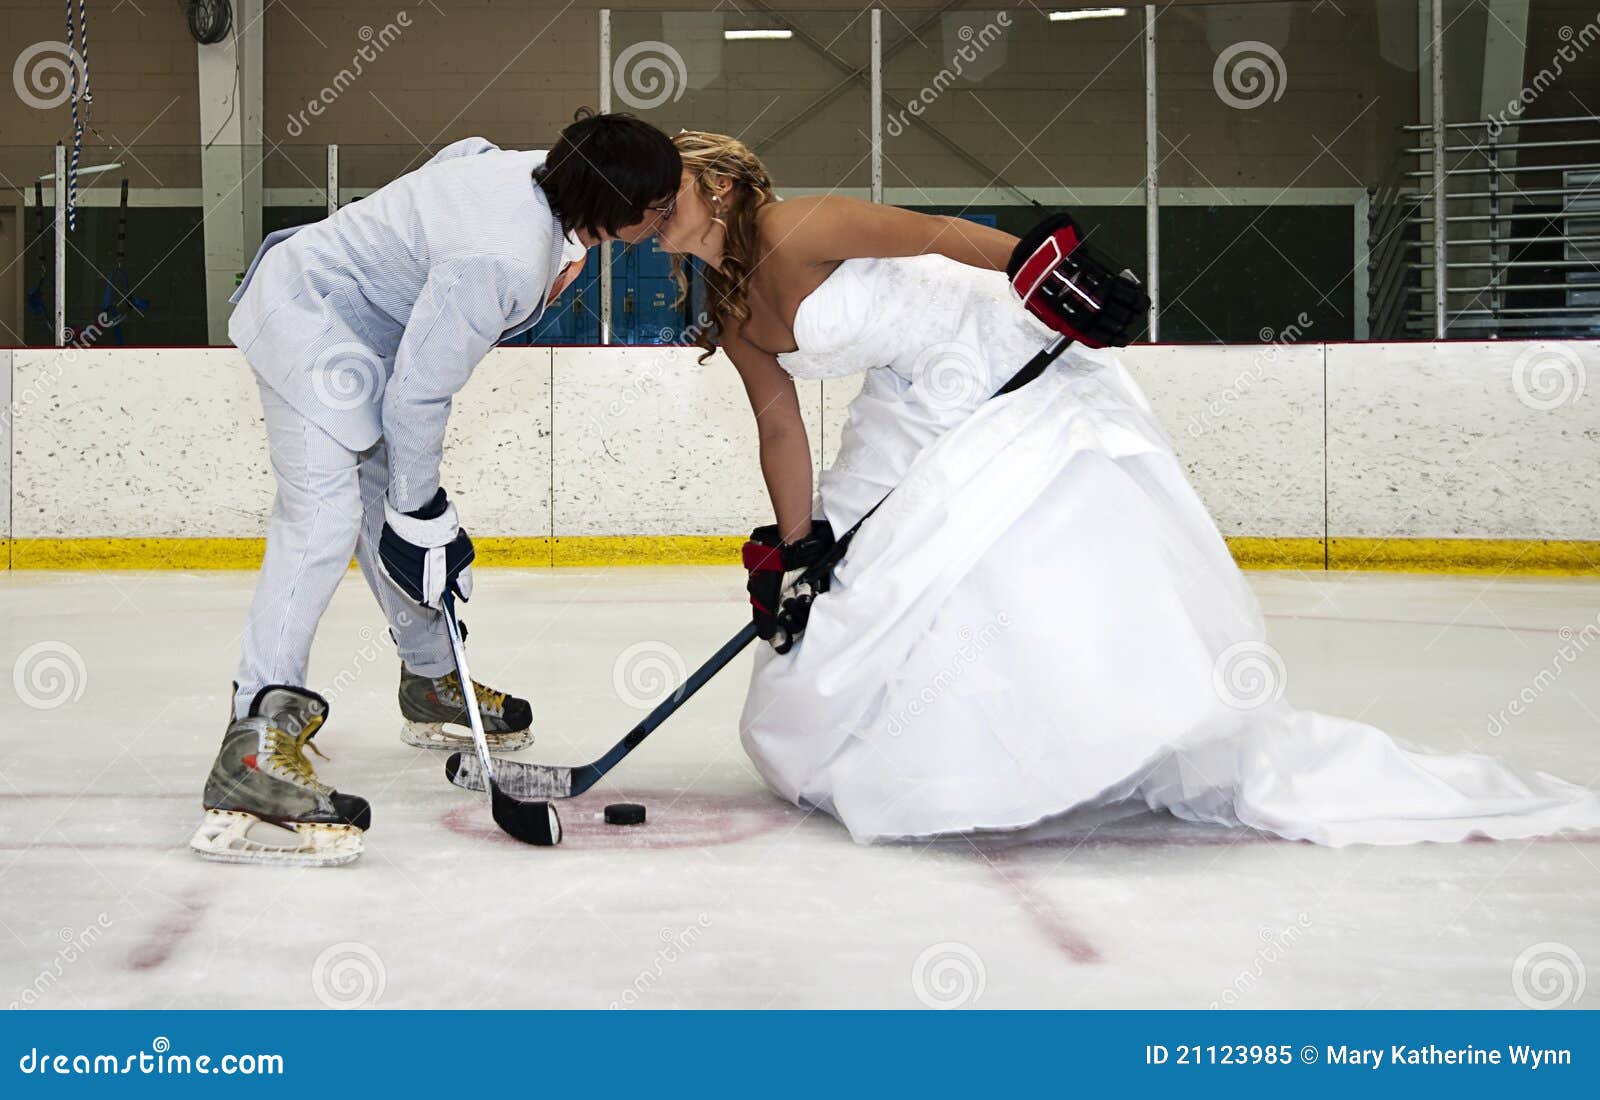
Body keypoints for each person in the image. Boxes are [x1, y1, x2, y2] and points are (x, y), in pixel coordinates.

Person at [650, 130, 1600, 846]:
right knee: (880, 575)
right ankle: (976, 745)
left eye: (666, 198)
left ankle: (1086, 727)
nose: (650, 221)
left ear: (721, 185)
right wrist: (802, 538)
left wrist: (1041, 272)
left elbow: (938, 236)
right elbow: (780, 421)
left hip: (993, 354)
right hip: (909, 396)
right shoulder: (728, 306)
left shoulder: (793, 221)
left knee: (1003, 540)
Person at [191, 112, 682, 866]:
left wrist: (413, 512)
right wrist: (419, 514)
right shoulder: (503, 257)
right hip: (308, 318)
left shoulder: (538, 177)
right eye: (655, 205)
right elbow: (419, 397)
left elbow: (466, 153)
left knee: (389, 508)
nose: (665, 217)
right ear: (610, 199)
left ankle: (430, 683)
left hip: (369, 342)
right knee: (323, 518)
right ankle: (253, 746)